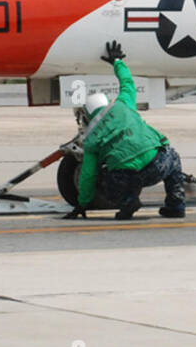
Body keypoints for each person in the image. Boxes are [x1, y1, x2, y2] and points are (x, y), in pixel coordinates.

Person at [64, 41, 186, 221]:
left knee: (107, 174)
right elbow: (127, 82)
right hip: (157, 164)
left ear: (88, 116)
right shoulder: (123, 103)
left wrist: (82, 204)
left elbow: (88, 176)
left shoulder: (90, 140)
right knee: (173, 157)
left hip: (125, 176)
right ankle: (176, 205)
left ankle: (128, 201)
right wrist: (117, 61)